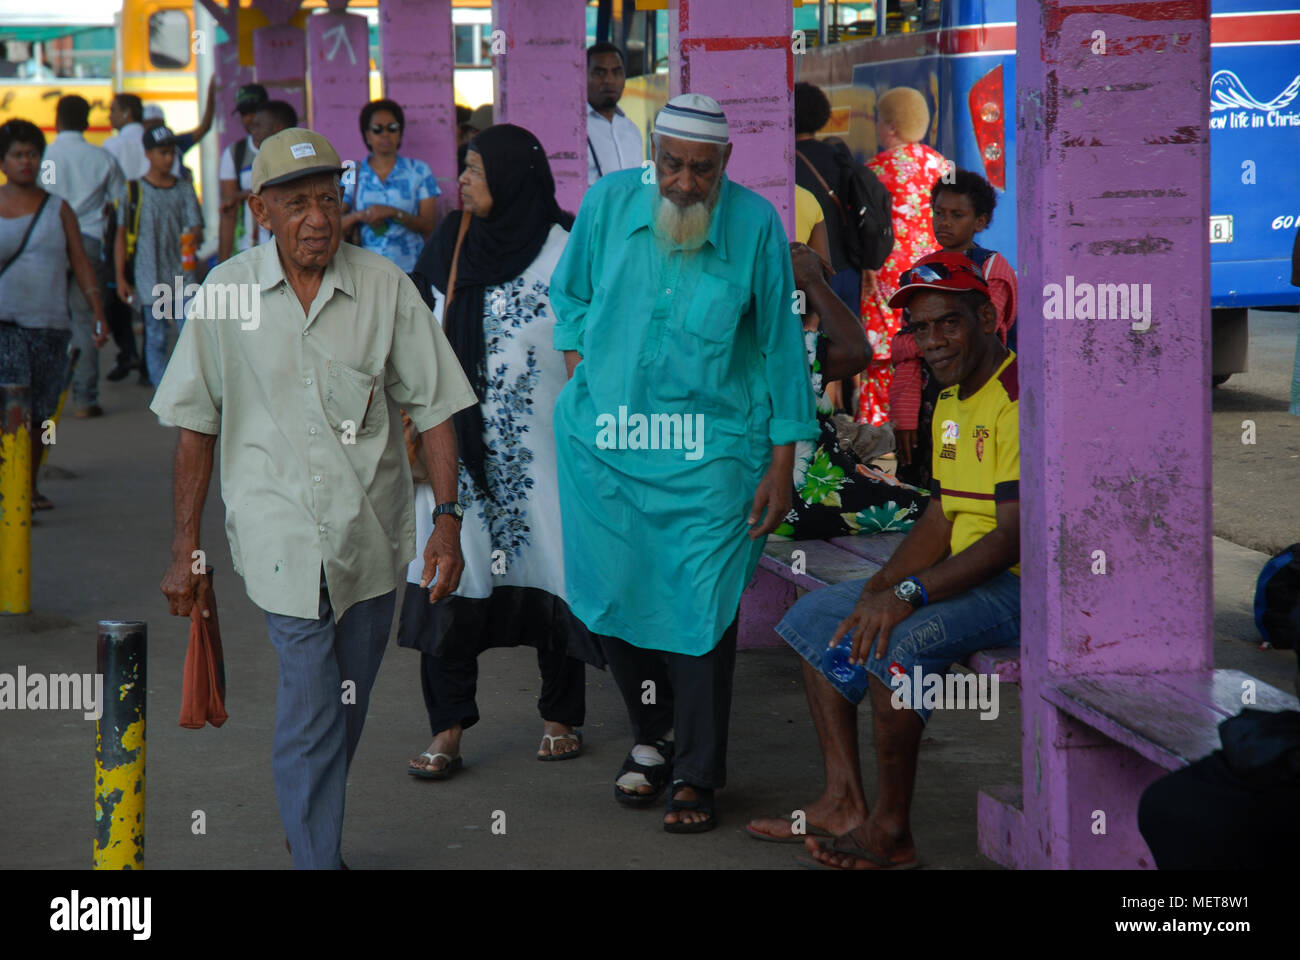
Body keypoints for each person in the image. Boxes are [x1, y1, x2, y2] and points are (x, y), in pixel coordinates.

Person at [151, 128, 477, 870]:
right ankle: (316, 861)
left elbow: (434, 408)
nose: (318, 219)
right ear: (262, 213)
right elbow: (195, 427)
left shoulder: (384, 289)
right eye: (297, 203)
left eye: (329, 200)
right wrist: (184, 549)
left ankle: (316, 835)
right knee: (310, 702)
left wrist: (448, 524)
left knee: (346, 704)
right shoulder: (226, 293)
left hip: (367, 538)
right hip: (277, 540)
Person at [550, 93, 818, 833]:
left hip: (712, 457)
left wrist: (781, 462)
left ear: (725, 165)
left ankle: (696, 773)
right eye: (672, 164)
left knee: (701, 614)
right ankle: (655, 728)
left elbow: (777, 347)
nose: (684, 184)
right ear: (654, 154)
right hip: (606, 447)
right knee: (607, 596)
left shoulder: (757, 224)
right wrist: (582, 371)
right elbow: (567, 295)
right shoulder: (607, 203)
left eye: (702, 170)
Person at [746, 250, 1020, 868]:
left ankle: (891, 830)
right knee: (820, 618)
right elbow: (942, 513)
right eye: (920, 329)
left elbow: (1010, 540)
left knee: (902, 643)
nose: (932, 341)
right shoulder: (951, 397)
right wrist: (885, 584)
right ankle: (843, 800)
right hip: (969, 568)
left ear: (985, 316)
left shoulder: (1014, 396)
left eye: (947, 323)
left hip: (1020, 583)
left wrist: (907, 596)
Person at [400, 123, 603, 778]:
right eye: (464, 167)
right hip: (452, 455)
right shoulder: (452, 240)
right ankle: (448, 727)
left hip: (545, 451)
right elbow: (413, 327)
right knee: (445, 579)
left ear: (515, 177)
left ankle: (560, 715)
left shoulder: (568, 248)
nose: (463, 179)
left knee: (555, 575)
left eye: (477, 169)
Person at [775, 241, 929, 540]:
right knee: (935, 510)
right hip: (806, 499)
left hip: (761, 500)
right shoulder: (790, 354)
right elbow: (857, 351)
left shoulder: (732, 345)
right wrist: (813, 281)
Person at [0, 119, 107, 512]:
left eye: (32, 154)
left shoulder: (58, 209)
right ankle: (11, 486)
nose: (26, 161)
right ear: (3, 162)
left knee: (43, 415)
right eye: (17, 154)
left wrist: (98, 312)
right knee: (13, 406)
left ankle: (25, 484)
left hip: (50, 326)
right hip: (5, 326)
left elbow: (81, 263)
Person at [892, 168, 1017, 489]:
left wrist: (907, 343)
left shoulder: (992, 268)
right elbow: (905, 356)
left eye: (956, 215)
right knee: (931, 482)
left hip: (979, 396)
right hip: (928, 400)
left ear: (979, 221)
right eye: (938, 213)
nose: (944, 222)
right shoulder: (921, 271)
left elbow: (979, 334)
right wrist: (904, 413)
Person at [858, 86, 949, 425]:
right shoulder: (940, 164)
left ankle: (882, 422)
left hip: (885, 272)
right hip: (930, 269)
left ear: (891, 127)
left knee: (883, 348)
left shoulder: (875, 169)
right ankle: (923, 416)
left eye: (880, 122)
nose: (878, 129)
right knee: (925, 340)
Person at [43, 94, 125, 419]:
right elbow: (119, 204)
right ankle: (85, 399)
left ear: (58, 119)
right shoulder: (102, 159)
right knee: (84, 318)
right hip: (89, 243)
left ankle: (47, 399)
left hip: (49, 244)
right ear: (88, 122)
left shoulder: (45, 158)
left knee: (45, 321)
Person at [114, 125, 204, 391]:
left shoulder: (184, 189)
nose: (168, 158)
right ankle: (164, 394)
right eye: (162, 153)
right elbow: (121, 235)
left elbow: (195, 226)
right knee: (155, 337)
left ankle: (190, 389)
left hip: (182, 276)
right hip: (149, 276)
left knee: (190, 334)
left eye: (171, 153)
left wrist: (194, 234)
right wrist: (120, 277)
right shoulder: (133, 191)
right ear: (148, 154)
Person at [341, 99, 440, 273]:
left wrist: (393, 213)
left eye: (392, 128)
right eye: (377, 129)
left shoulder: (419, 170)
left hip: (411, 271)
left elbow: (428, 226)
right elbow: (333, 222)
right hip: (364, 272)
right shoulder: (350, 171)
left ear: (400, 132)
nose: (385, 134)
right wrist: (361, 216)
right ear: (367, 135)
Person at [217, 83, 269, 262]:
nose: (250, 118)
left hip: (280, 249)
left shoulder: (281, 149)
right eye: (245, 113)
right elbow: (228, 212)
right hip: (247, 251)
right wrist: (223, 265)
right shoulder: (234, 154)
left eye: (255, 110)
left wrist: (241, 195)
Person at [586, 42, 643, 186]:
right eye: (599, 73)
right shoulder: (577, 129)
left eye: (617, 72)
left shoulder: (632, 130)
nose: (609, 80)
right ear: (583, 76)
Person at [102, 94, 148, 181]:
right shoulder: (154, 142)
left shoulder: (112, 144)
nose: (109, 116)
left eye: (113, 111)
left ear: (126, 113)